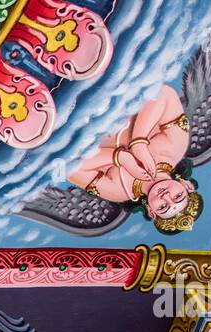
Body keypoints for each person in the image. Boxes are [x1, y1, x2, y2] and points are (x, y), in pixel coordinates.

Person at [68, 84, 201, 233]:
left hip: (73, 114)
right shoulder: (175, 148)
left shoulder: (118, 191)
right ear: (187, 185)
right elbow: (162, 92)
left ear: (151, 211)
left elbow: (68, 167)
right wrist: (139, 142)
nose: (166, 197)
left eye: (162, 207)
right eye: (178, 196)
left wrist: (119, 157)